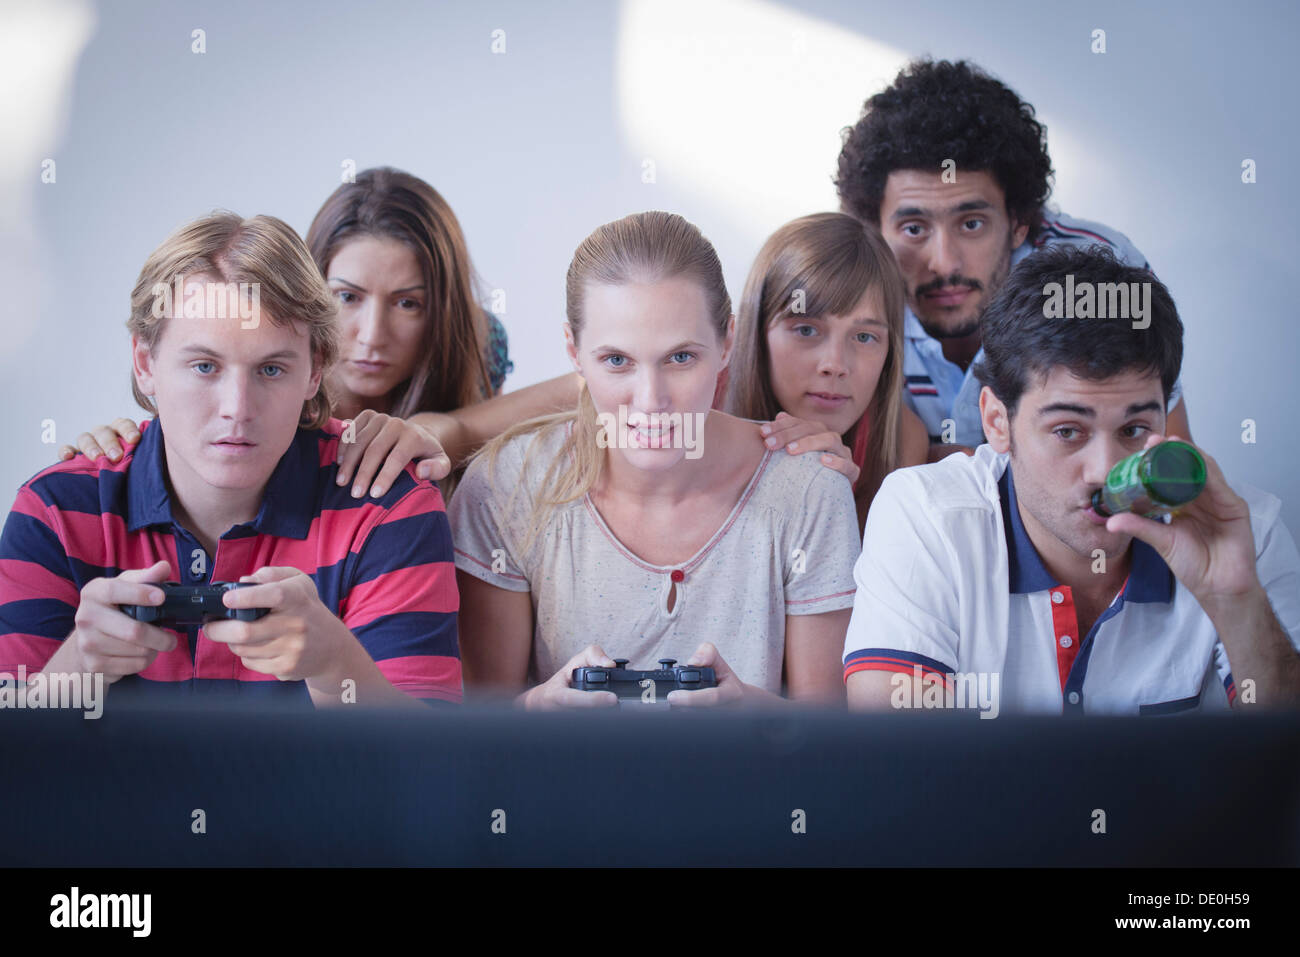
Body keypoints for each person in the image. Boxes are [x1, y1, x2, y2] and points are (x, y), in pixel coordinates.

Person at [0, 212, 461, 708]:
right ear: (144, 363)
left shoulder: (389, 505)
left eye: (271, 369)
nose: (237, 409)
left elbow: (433, 770)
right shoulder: (55, 512)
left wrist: (336, 669)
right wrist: (76, 671)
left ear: (315, 372)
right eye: (204, 366)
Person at [843, 244, 1300, 715]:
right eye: (1067, 431)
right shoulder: (927, 516)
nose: (1105, 469)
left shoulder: (1244, 529)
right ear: (997, 422)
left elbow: (1288, 769)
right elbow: (900, 769)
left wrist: (1237, 602)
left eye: (1134, 429)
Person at [449, 211, 861, 709]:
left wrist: (759, 721)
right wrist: (535, 713)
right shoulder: (505, 486)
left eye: (680, 358)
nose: (651, 400)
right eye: (617, 360)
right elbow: (480, 730)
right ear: (573, 352)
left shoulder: (809, 490)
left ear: (727, 342)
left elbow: (830, 743)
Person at [56, 167, 581, 498]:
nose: (372, 334)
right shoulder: (252, 377)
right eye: (347, 297)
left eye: (408, 303)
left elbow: (595, 385)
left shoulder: (476, 344)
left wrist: (445, 429)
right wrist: (123, 447)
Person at [835, 58, 1191, 459]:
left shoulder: (1099, 271)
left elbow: (1159, 458)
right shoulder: (847, 290)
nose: (945, 264)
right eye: (914, 229)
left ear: (1020, 221)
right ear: (875, 229)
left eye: (971, 224)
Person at [723, 212, 928, 527]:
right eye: (806, 330)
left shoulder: (901, 438)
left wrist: (834, 503)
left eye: (864, 337)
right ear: (756, 334)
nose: (835, 365)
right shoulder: (700, 408)